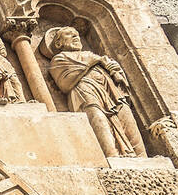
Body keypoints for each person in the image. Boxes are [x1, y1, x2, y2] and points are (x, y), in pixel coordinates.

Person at [40, 25, 146, 157]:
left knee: (127, 118)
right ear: (58, 43)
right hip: (84, 91)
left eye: (77, 34)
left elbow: (120, 80)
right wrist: (91, 63)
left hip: (109, 90)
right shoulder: (60, 59)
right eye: (69, 34)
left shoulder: (90, 54)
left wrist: (115, 69)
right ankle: (112, 155)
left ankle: (141, 156)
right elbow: (65, 84)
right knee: (98, 119)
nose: (75, 37)